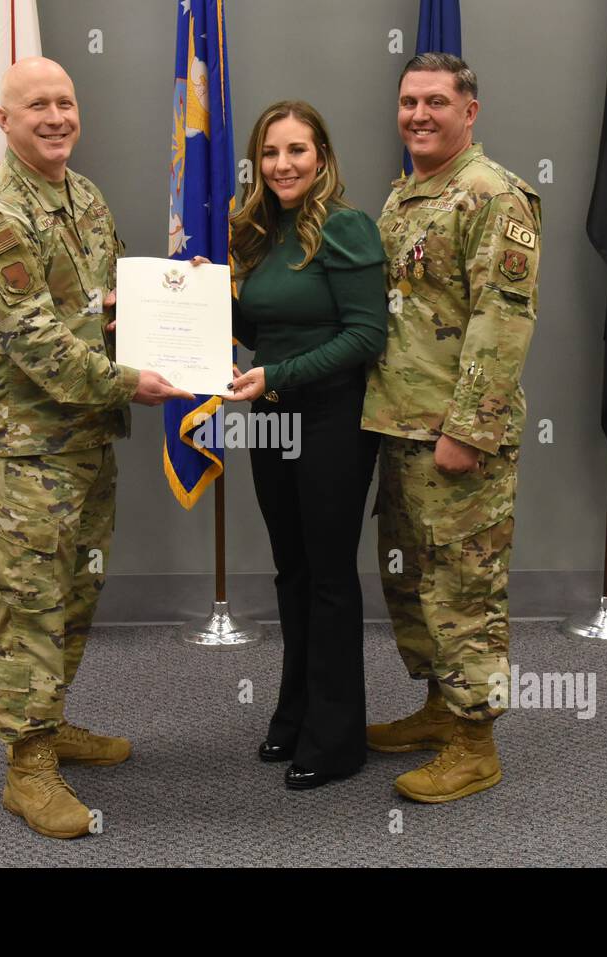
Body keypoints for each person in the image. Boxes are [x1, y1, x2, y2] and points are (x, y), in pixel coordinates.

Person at [0, 57, 190, 839]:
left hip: (84, 443)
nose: (56, 116)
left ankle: (48, 723)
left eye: (66, 102)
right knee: (31, 607)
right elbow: (39, 343)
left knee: (75, 597)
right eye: (37, 106)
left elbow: (99, 299)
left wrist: (164, 308)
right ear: (5, 121)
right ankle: (27, 767)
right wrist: (134, 381)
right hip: (25, 453)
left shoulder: (82, 197)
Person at [362, 54, 541, 803]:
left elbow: (503, 322)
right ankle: (441, 707)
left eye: (436, 101)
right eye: (408, 102)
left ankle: (475, 742)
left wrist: (467, 430)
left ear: (471, 110)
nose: (419, 115)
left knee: (464, 590)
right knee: (412, 584)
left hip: (455, 437)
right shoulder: (407, 194)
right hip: (401, 427)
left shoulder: (493, 195)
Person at [208, 100, 387, 789]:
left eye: (298, 151)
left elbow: (366, 335)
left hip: (333, 420)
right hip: (269, 417)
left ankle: (338, 737)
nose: (283, 165)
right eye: (272, 152)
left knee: (330, 575)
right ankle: (296, 711)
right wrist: (169, 304)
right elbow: (260, 326)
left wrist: (277, 375)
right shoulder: (256, 232)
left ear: (322, 157)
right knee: (293, 571)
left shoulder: (345, 227)